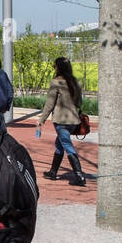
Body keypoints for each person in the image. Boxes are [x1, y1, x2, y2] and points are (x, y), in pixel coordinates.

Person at [36, 56, 86, 186]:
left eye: (55, 66)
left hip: (61, 121)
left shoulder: (56, 83)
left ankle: (79, 176)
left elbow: (49, 104)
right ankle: (53, 172)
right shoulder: (76, 82)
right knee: (59, 144)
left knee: (67, 146)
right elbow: (79, 103)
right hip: (74, 121)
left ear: (58, 68)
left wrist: (41, 120)